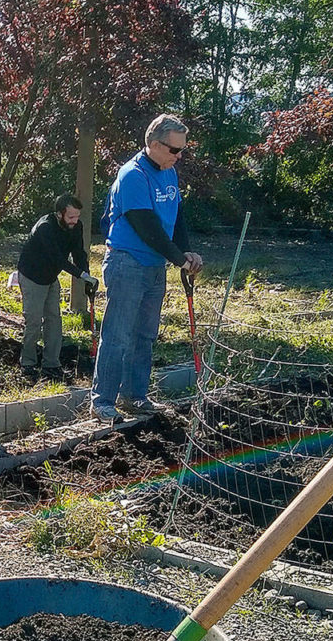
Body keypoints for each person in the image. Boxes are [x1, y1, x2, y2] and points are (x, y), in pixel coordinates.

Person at [92, 115, 202, 421]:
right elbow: (147, 227)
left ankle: (135, 395)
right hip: (128, 262)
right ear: (154, 144)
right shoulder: (133, 175)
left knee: (145, 335)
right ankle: (102, 401)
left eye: (182, 151)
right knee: (118, 334)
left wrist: (186, 250)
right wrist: (179, 258)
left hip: (154, 265)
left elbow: (176, 216)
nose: (178, 157)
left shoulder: (169, 172)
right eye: (174, 150)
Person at [17, 194, 98, 380]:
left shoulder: (76, 226)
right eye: (71, 217)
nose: (75, 221)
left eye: (77, 216)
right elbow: (58, 259)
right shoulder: (45, 227)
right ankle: (27, 364)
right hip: (32, 276)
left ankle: (51, 364)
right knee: (34, 321)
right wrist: (81, 275)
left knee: (54, 319)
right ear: (60, 214)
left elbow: (79, 253)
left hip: (50, 277)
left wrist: (87, 275)